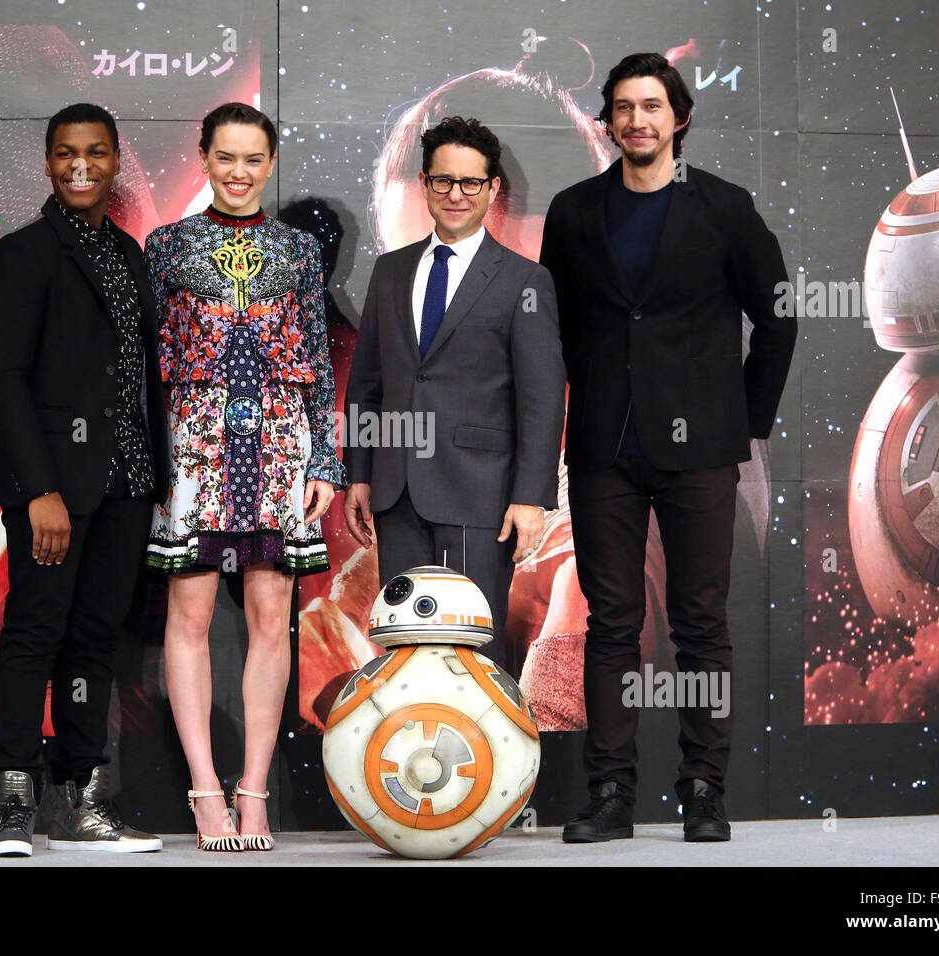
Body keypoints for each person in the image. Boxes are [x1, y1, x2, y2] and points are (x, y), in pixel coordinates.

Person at [540, 53, 796, 843]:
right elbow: (552, 330)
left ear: (678, 116)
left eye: (651, 106)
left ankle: (703, 789)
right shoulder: (575, 210)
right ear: (608, 121)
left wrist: (743, 424)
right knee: (609, 623)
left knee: (700, 623)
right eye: (622, 107)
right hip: (603, 449)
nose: (637, 120)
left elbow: (779, 315)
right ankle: (610, 792)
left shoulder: (724, 207)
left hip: (701, 451)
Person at [144, 102, 345, 851]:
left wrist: (324, 457)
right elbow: (144, 367)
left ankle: (254, 795)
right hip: (192, 448)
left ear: (269, 162)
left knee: (271, 623)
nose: (238, 172)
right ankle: (204, 794)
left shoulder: (297, 251)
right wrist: (154, 459)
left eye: (253, 159)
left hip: (280, 446)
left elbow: (318, 363)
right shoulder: (164, 246)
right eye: (225, 157)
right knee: (188, 622)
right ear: (204, 157)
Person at [0, 102, 166, 856]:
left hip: (126, 484)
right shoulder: (22, 254)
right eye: (65, 152)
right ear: (48, 162)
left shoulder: (129, 254)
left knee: (94, 643)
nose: (80, 164)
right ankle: (11, 804)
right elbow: (4, 378)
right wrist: (39, 489)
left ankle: (79, 798)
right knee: (34, 634)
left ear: (116, 159)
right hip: (52, 487)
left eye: (94, 152)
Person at [342, 116, 566, 670]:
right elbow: (367, 384)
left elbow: (542, 398)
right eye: (443, 181)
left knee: (474, 650)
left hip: (483, 493)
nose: (455, 194)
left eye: (470, 183)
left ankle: (475, 757)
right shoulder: (391, 272)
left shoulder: (523, 281)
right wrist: (360, 474)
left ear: (493, 189)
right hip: (396, 492)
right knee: (402, 650)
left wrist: (530, 496)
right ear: (425, 183)